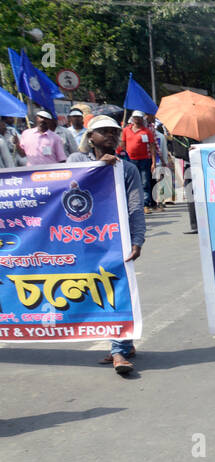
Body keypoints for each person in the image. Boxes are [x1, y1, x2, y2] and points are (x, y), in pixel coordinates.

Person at [67, 114, 145, 376]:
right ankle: (125, 342)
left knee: (116, 289)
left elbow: (135, 206)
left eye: (114, 131)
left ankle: (119, 350)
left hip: (115, 237)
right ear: (91, 137)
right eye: (104, 131)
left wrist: (137, 238)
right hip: (83, 238)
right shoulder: (76, 161)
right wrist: (99, 166)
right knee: (94, 288)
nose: (111, 135)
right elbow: (67, 189)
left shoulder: (128, 168)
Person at [122, 111, 157, 208]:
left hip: (144, 160)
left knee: (145, 183)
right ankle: (133, 203)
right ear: (132, 118)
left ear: (142, 119)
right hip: (130, 161)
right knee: (131, 182)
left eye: (139, 117)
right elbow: (122, 145)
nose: (137, 119)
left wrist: (153, 162)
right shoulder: (126, 130)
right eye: (135, 117)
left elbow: (152, 147)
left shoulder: (147, 131)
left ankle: (145, 204)